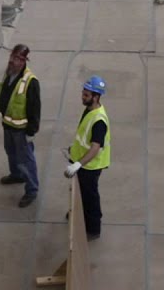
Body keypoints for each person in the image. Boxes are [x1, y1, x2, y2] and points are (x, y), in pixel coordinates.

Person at [0, 44, 41, 207]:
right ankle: (16, 175)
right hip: (8, 125)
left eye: (17, 58)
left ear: (24, 61)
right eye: (12, 57)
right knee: (11, 152)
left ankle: (32, 190)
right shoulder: (9, 73)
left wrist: (32, 131)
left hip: (21, 130)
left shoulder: (30, 81)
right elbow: (2, 92)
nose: (13, 61)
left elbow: (35, 108)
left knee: (25, 159)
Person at [64, 75, 110, 241]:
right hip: (82, 161)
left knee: (90, 197)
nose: (82, 97)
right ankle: (77, 214)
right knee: (81, 192)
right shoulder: (89, 109)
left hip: (90, 166)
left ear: (96, 97)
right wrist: (74, 150)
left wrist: (78, 164)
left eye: (86, 95)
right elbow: (84, 136)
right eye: (83, 93)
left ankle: (93, 229)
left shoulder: (99, 121)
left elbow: (95, 148)